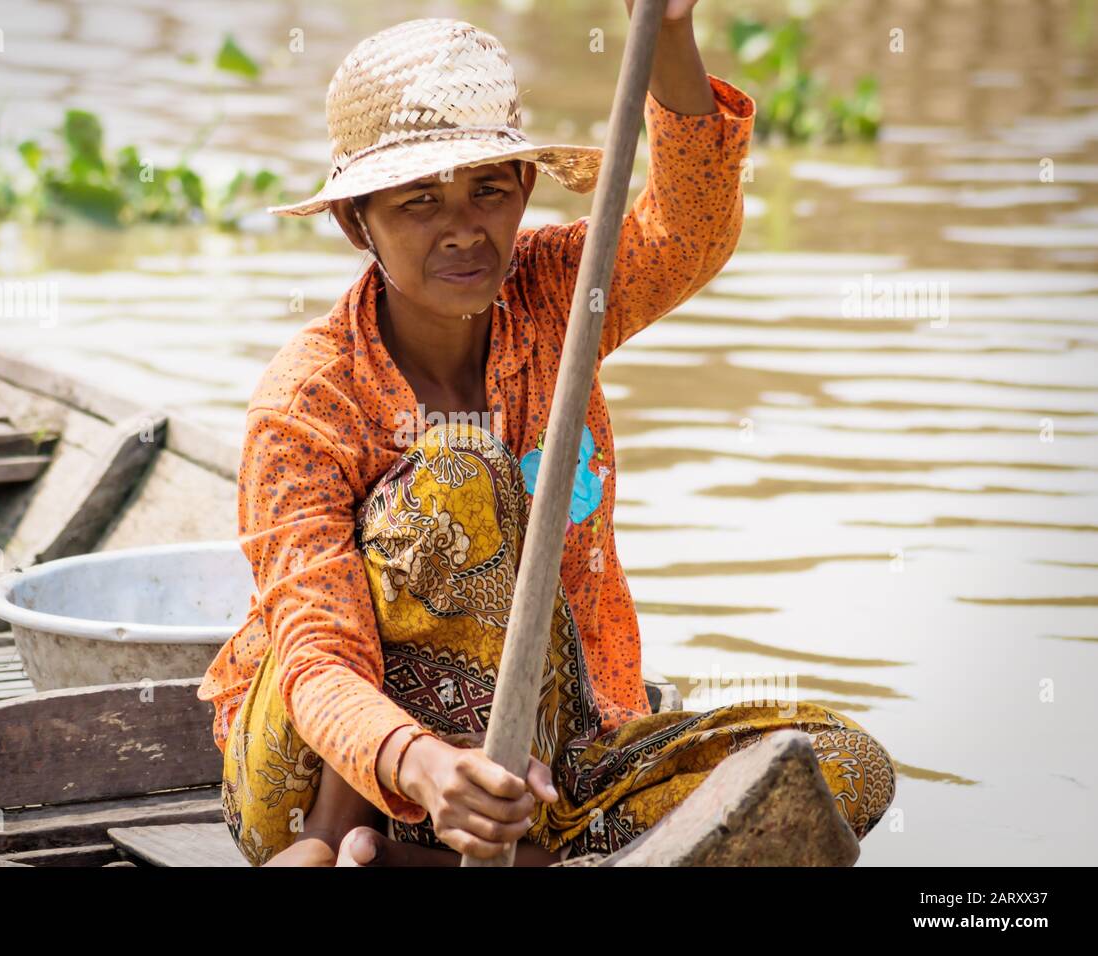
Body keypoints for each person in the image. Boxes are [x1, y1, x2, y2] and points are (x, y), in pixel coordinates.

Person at [199, 6, 897, 867]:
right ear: (359, 224)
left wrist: (671, 32)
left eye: (488, 189)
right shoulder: (308, 396)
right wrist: (424, 768)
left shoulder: (560, 295)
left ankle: (488, 856)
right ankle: (352, 843)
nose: (463, 227)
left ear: (525, 192)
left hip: (547, 762)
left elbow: (690, 227)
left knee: (839, 766)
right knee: (459, 474)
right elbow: (316, 656)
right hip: (321, 775)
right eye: (421, 202)